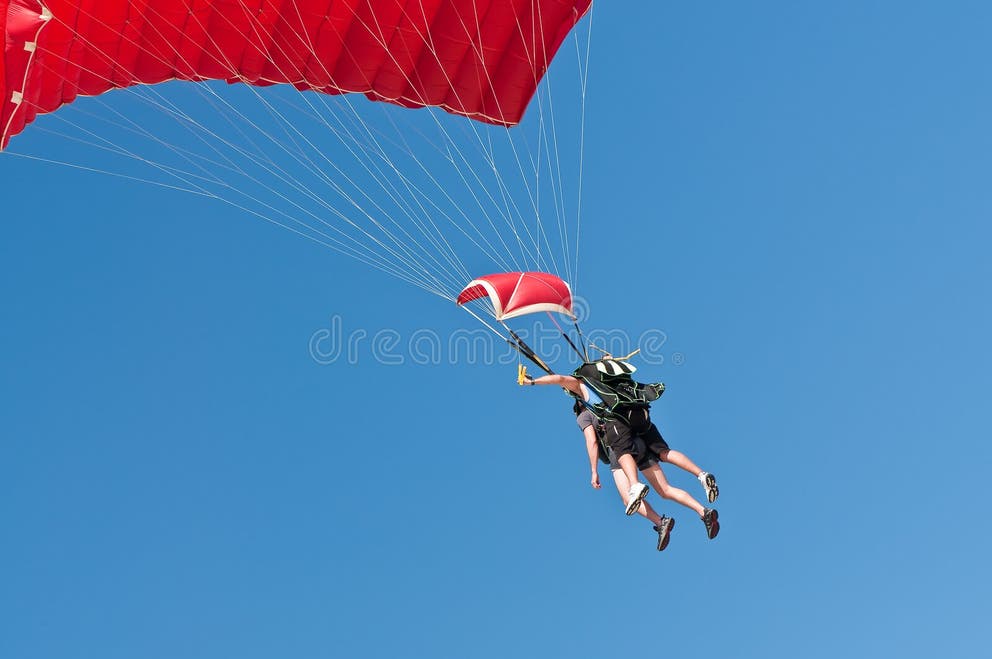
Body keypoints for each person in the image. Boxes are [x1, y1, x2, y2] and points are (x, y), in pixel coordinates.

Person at [526, 367, 721, 540]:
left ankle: (657, 516)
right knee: (665, 487)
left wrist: (532, 381)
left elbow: (591, 441)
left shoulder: (583, 409)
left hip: (620, 441)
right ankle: (703, 508)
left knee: (628, 497)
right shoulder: (609, 386)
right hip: (640, 433)